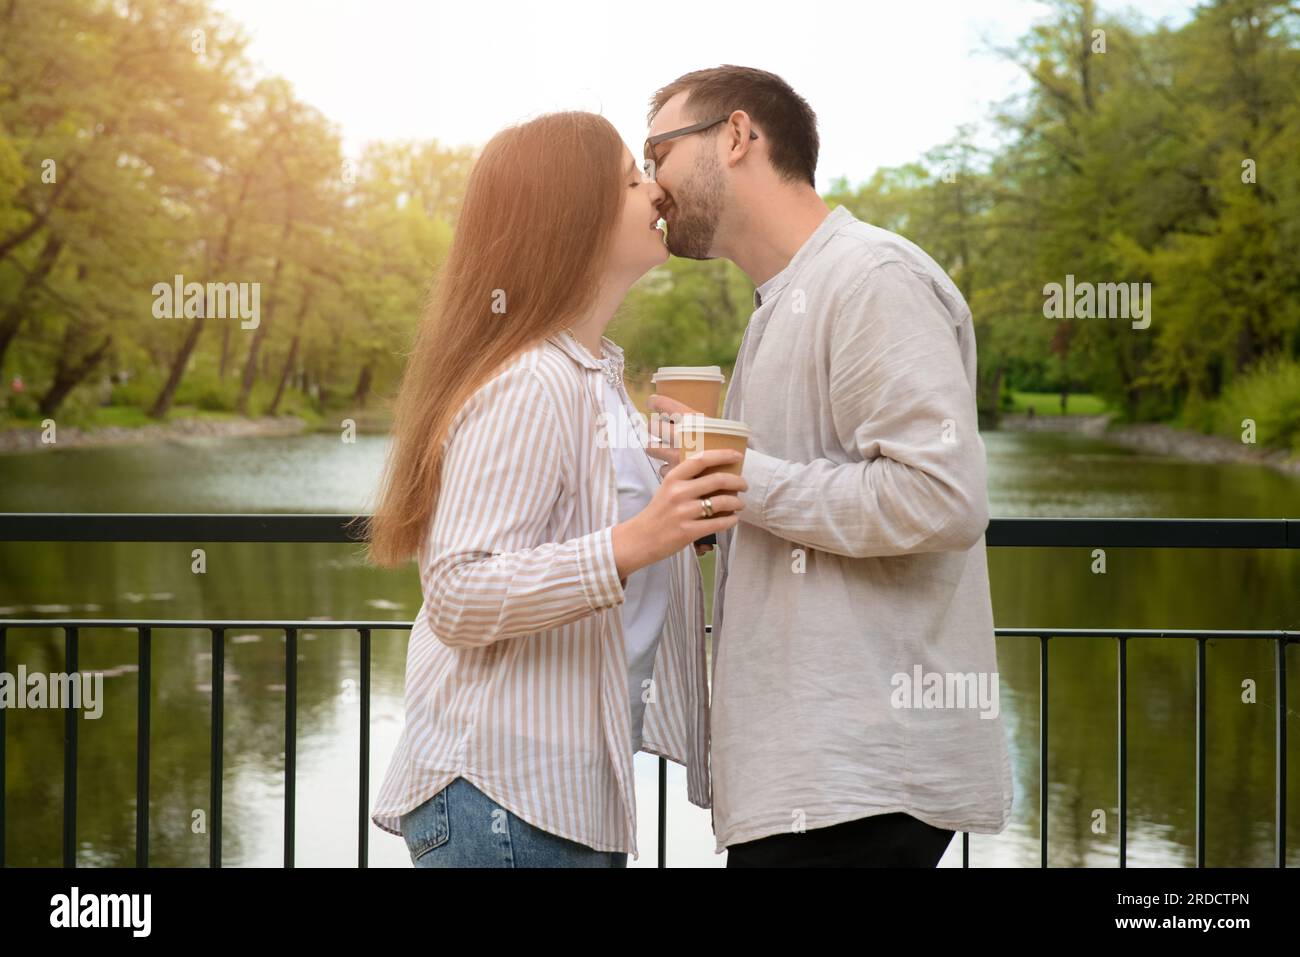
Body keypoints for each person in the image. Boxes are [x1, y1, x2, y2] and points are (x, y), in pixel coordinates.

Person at [642, 65, 1014, 867]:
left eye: (657, 153)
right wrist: (716, 506)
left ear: (736, 136)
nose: (651, 185)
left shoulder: (870, 278)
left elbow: (941, 497)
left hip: (858, 784)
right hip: (811, 783)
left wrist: (736, 474)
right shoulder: (786, 300)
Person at [363, 111, 746, 867]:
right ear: (575, 218)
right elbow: (460, 591)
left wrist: (676, 508)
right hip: (505, 800)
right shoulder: (533, 378)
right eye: (634, 180)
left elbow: (585, 551)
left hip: (542, 803)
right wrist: (640, 536)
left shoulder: (593, 376)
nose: (657, 193)